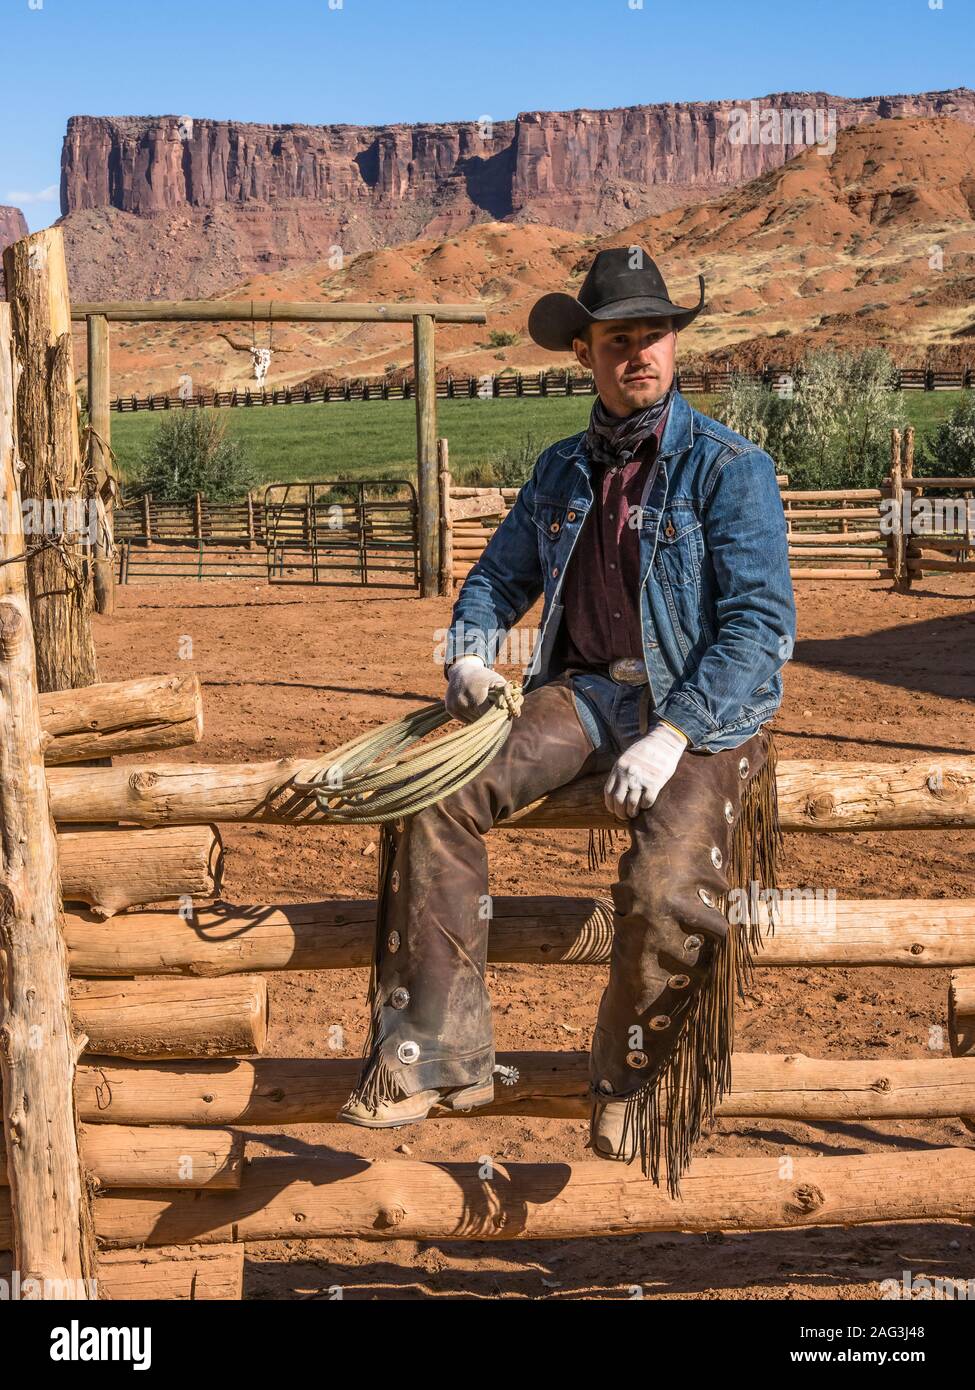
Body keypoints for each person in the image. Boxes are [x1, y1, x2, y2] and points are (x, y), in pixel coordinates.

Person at [339, 245, 796, 1197]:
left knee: (670, 889)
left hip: (698, 705)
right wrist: (468, 651)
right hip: (584, 692)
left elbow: (760, 627)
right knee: (436, 788)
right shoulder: (560, 470)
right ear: (584, 354)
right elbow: (498, 579)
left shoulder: (727, 468)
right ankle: (431, 1055)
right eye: (618, 339)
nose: (640, 355)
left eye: (654, 336)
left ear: (674, 346)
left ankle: (628, 1077)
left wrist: (675, 733)